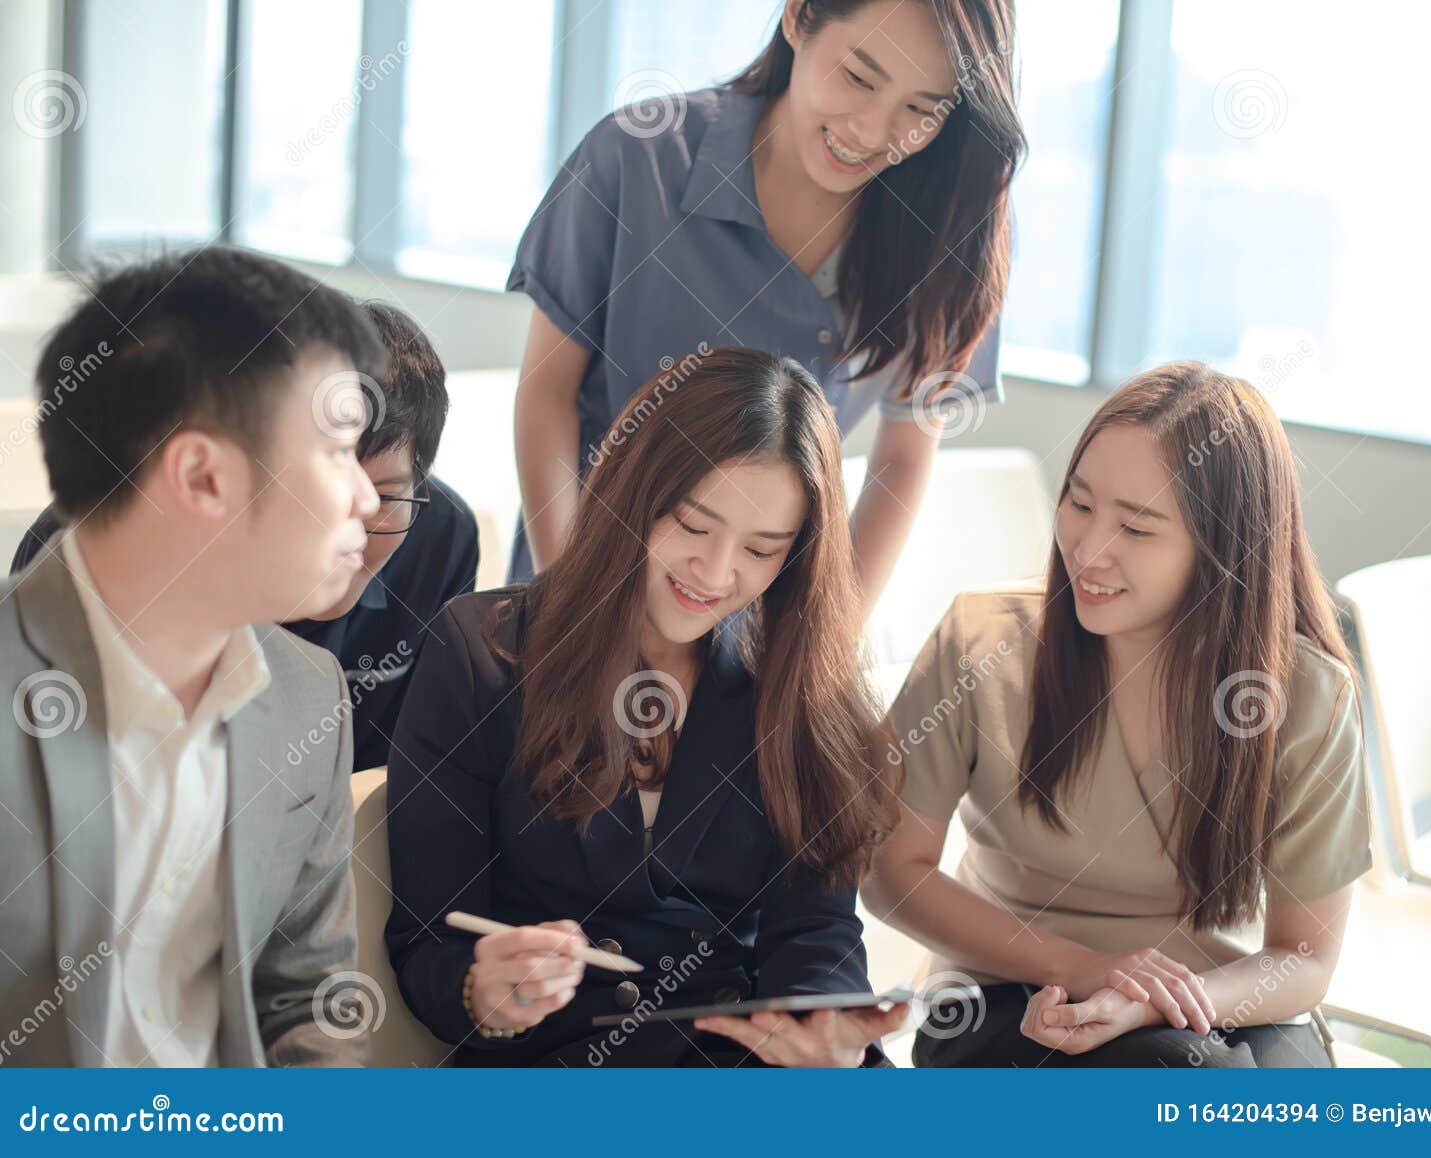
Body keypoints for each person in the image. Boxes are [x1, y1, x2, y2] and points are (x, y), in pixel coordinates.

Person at [385, 348, 906, 1066]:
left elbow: (816, 928)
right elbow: (427, 943)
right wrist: (484, 989)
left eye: (762, 548)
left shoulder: (792, 673)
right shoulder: (483, 653)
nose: (716, 573)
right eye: (693, 526)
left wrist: (825, 1028)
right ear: (632, 491)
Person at [862, 362, 1373, 1067]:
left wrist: (1158, 997)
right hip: (1012, 983)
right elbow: (891, 870)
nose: (1089, 550)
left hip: (1220, 996)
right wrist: (1076, 966)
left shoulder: (1306, 695)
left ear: (1226, 549)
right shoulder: (983, 642)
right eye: (1078, 504)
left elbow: (1304, 958)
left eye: (1136, 526)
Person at [508, 0, 1023, 610]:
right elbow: (547, 395)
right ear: (800, 17)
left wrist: (822, 648)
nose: (873, 132)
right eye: (859, 77)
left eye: (922, 109)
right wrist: (569, 606)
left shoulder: (950, 227)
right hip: (582, 570)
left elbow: (902, 462)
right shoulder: (637, 156)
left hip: (761, 621)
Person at [0, 247, 383, 1066]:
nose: (368, 497)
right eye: (339, 448)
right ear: (204, 476)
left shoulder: (308, 693)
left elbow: (307, 995)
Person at [10, 300, 479, 773]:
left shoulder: (443, 540)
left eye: (383, 495)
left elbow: (413, 773)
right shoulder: (96, 537)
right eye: (319, 488)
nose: (349, 524)